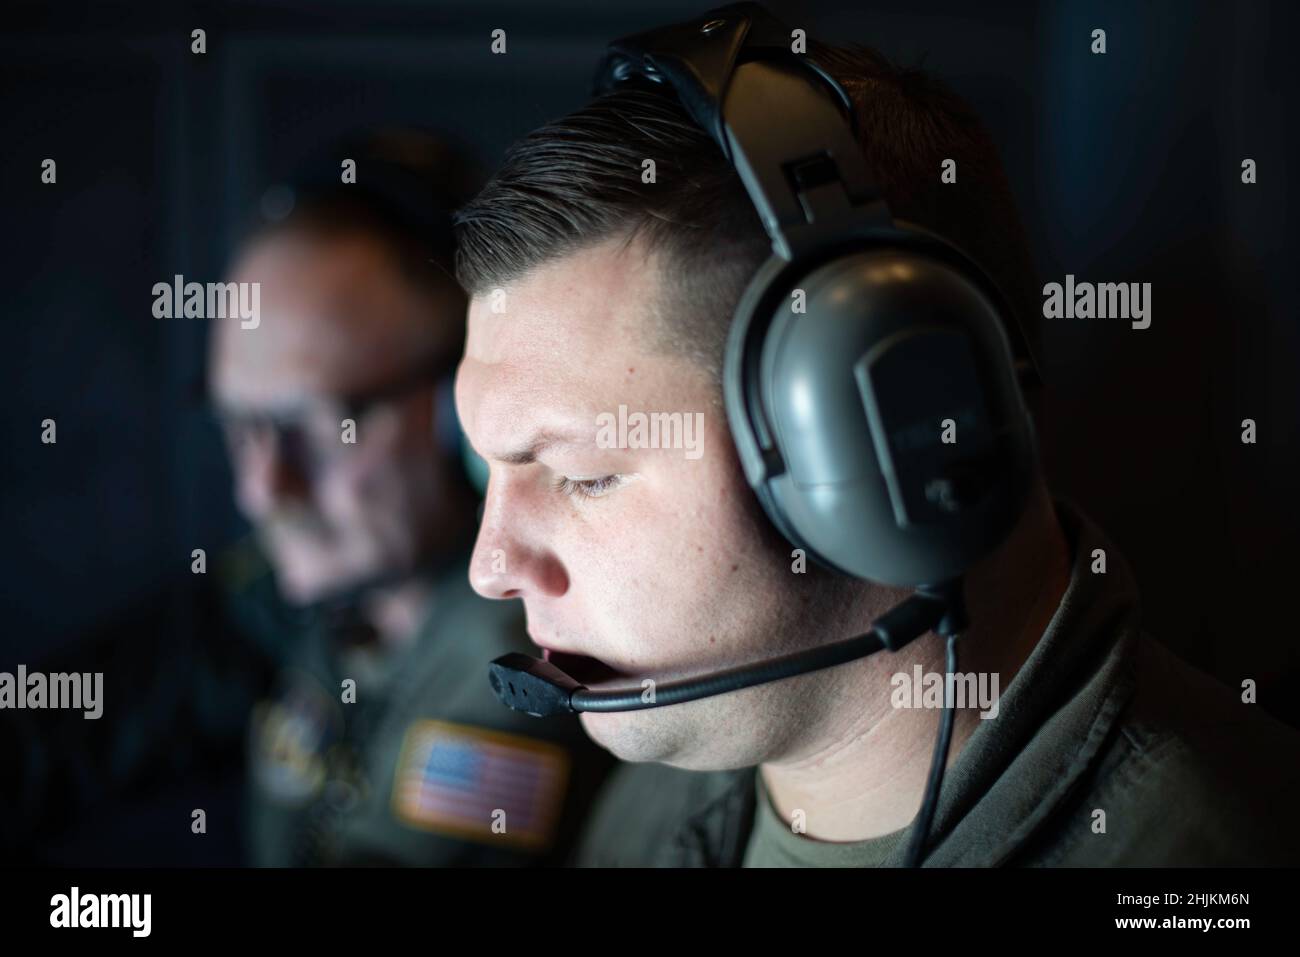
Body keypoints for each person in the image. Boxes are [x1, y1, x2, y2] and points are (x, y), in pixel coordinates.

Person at [449, 13, 1300, 867]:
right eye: (482, 465)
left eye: (584, 475)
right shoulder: (660, 796)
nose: (490, 567)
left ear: (894, 426)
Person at [208, 130, 611, 866]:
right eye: (242, 429)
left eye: (319, 426)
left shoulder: (514, 673)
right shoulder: (328, 579)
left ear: (467, 410)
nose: (260, 489)